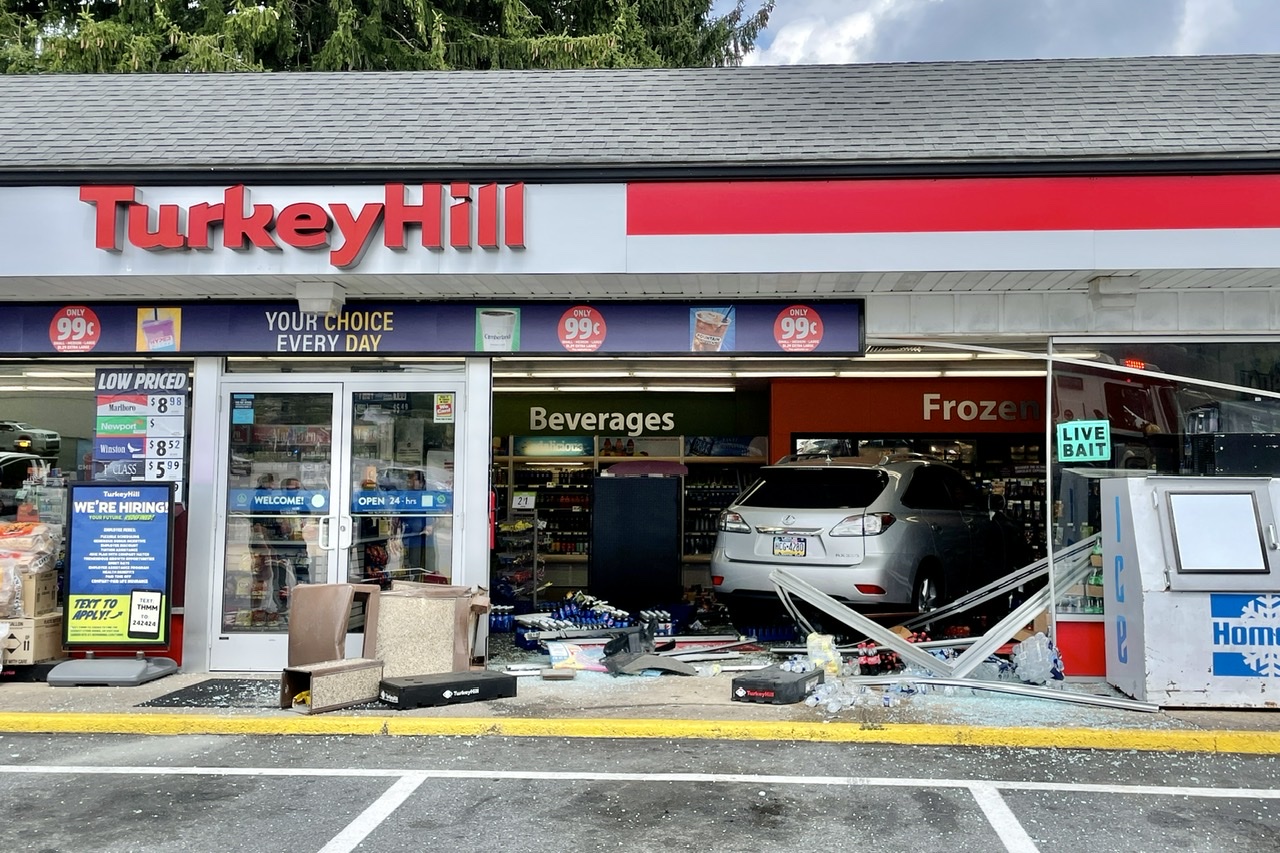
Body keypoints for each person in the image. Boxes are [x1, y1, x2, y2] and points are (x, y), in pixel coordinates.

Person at [398, 469, 435, 574]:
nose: (410, 482)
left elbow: (435, 514)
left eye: (414, 479)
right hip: (411, 538)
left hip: (427, 538)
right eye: (409, 479)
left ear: (421, 482)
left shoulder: (426, 495)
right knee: (412, 565)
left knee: (428, 565)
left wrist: (431, 525)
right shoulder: (406, 496)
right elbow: (400, 516)